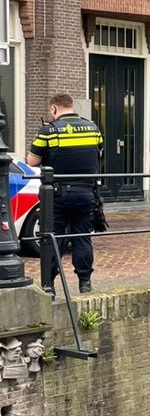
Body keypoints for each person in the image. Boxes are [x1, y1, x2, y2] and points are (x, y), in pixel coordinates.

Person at [26, 94, 103, 295]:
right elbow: (98, 154)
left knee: (52, 238)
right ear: (72, 107)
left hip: (57, 195)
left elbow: (32, 161)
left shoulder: (48, 131)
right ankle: (85, 283)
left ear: (53, 109)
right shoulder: (93, 128)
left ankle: (49, 286)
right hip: (86, 193)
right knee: (82, 237)